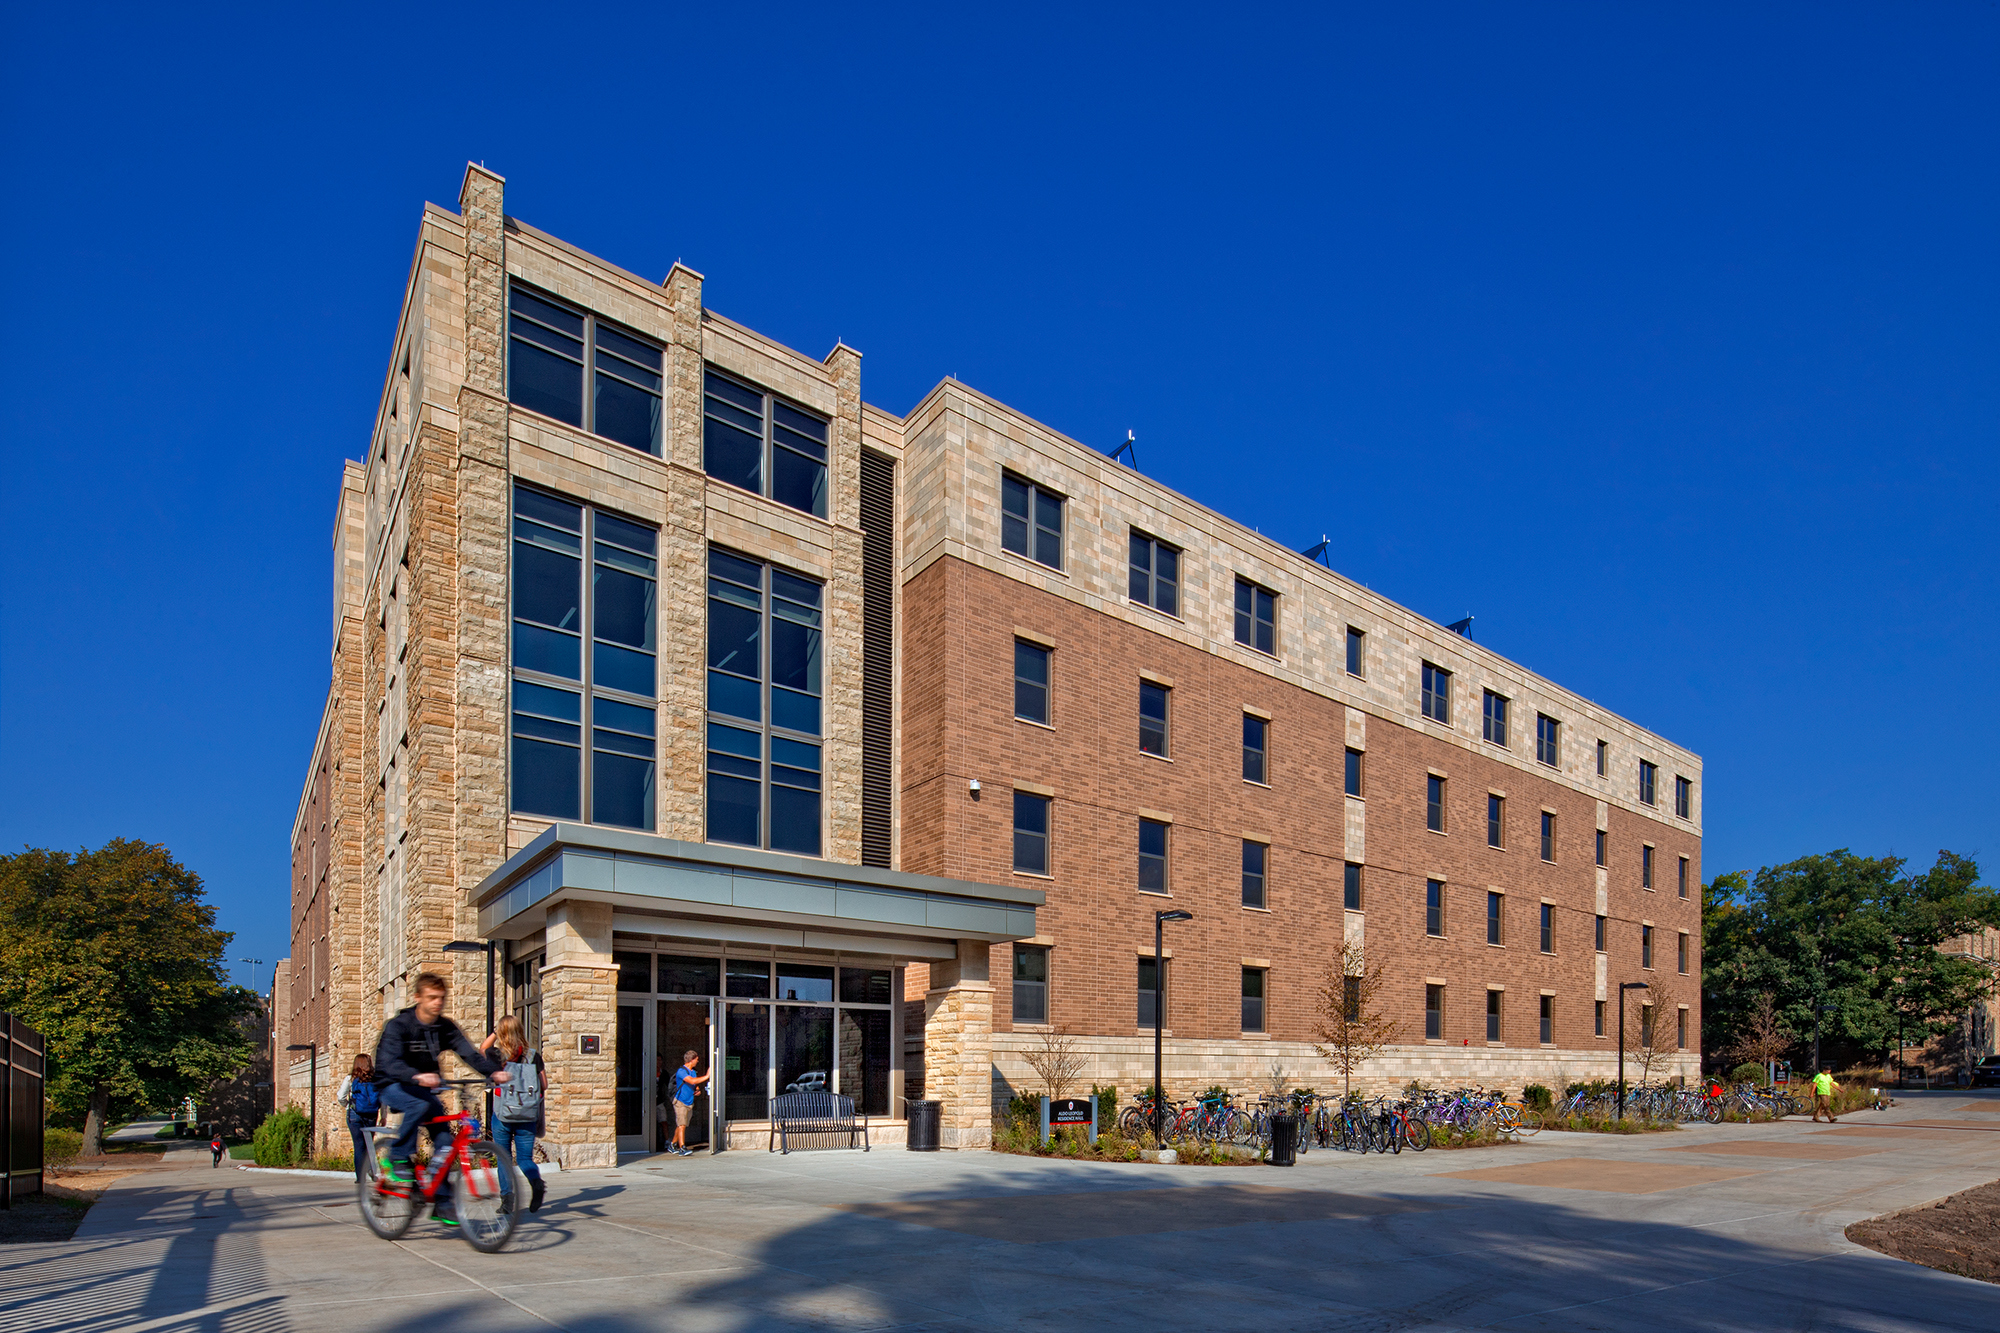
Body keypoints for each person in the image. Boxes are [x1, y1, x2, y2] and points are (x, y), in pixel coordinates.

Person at [372, 971, 508, 1227]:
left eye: (441, 998)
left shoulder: (444, 1027)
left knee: (445, 1141)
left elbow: (469, 1054)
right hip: (392, 1084)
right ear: (418, 997)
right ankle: (397, 1155)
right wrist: (417, 1076)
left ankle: (442, 1201)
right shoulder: (399, 1026)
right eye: (432, 997)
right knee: (419, 1104)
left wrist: (493, 1072)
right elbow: (389, 1063)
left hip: (424, 1088)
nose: (437, 1003)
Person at [480, 1015, 548, 1213]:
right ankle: (536, 1182)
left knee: (504, 1158)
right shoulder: (533, 1056)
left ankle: (507, 1201)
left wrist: (495, 1032)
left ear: (501, 1032)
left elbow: (482, 1048)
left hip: (503, 1115)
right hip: (527, 1114)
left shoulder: (498, 1055)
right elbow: (544, 1085)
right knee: (525, 1158)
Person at [336, 1054, 382, 1181]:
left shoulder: (350, 1079)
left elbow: (340, 1096)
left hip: (354, 1115)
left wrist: (348, 1105)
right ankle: (372, 1170)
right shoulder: (375, 1079)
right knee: (369, 1144)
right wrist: (383, 1116)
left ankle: (360, 1178)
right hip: (372, 1114)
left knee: (358, 1145)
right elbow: (381, 1098)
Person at [667, 1049, 710, 1157]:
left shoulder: (693, 1072)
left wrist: (697, 1090)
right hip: (680, 1102)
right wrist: (707, 1076)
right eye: (696, 1059)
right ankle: (682, 1147)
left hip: (689, 1102)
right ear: (691, 1060)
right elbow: (691, 1080)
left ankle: (672, 1144)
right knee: (682, 1124)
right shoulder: (681, 1071)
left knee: (682, 1124)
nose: (697, 1061)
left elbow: (694, 1084)